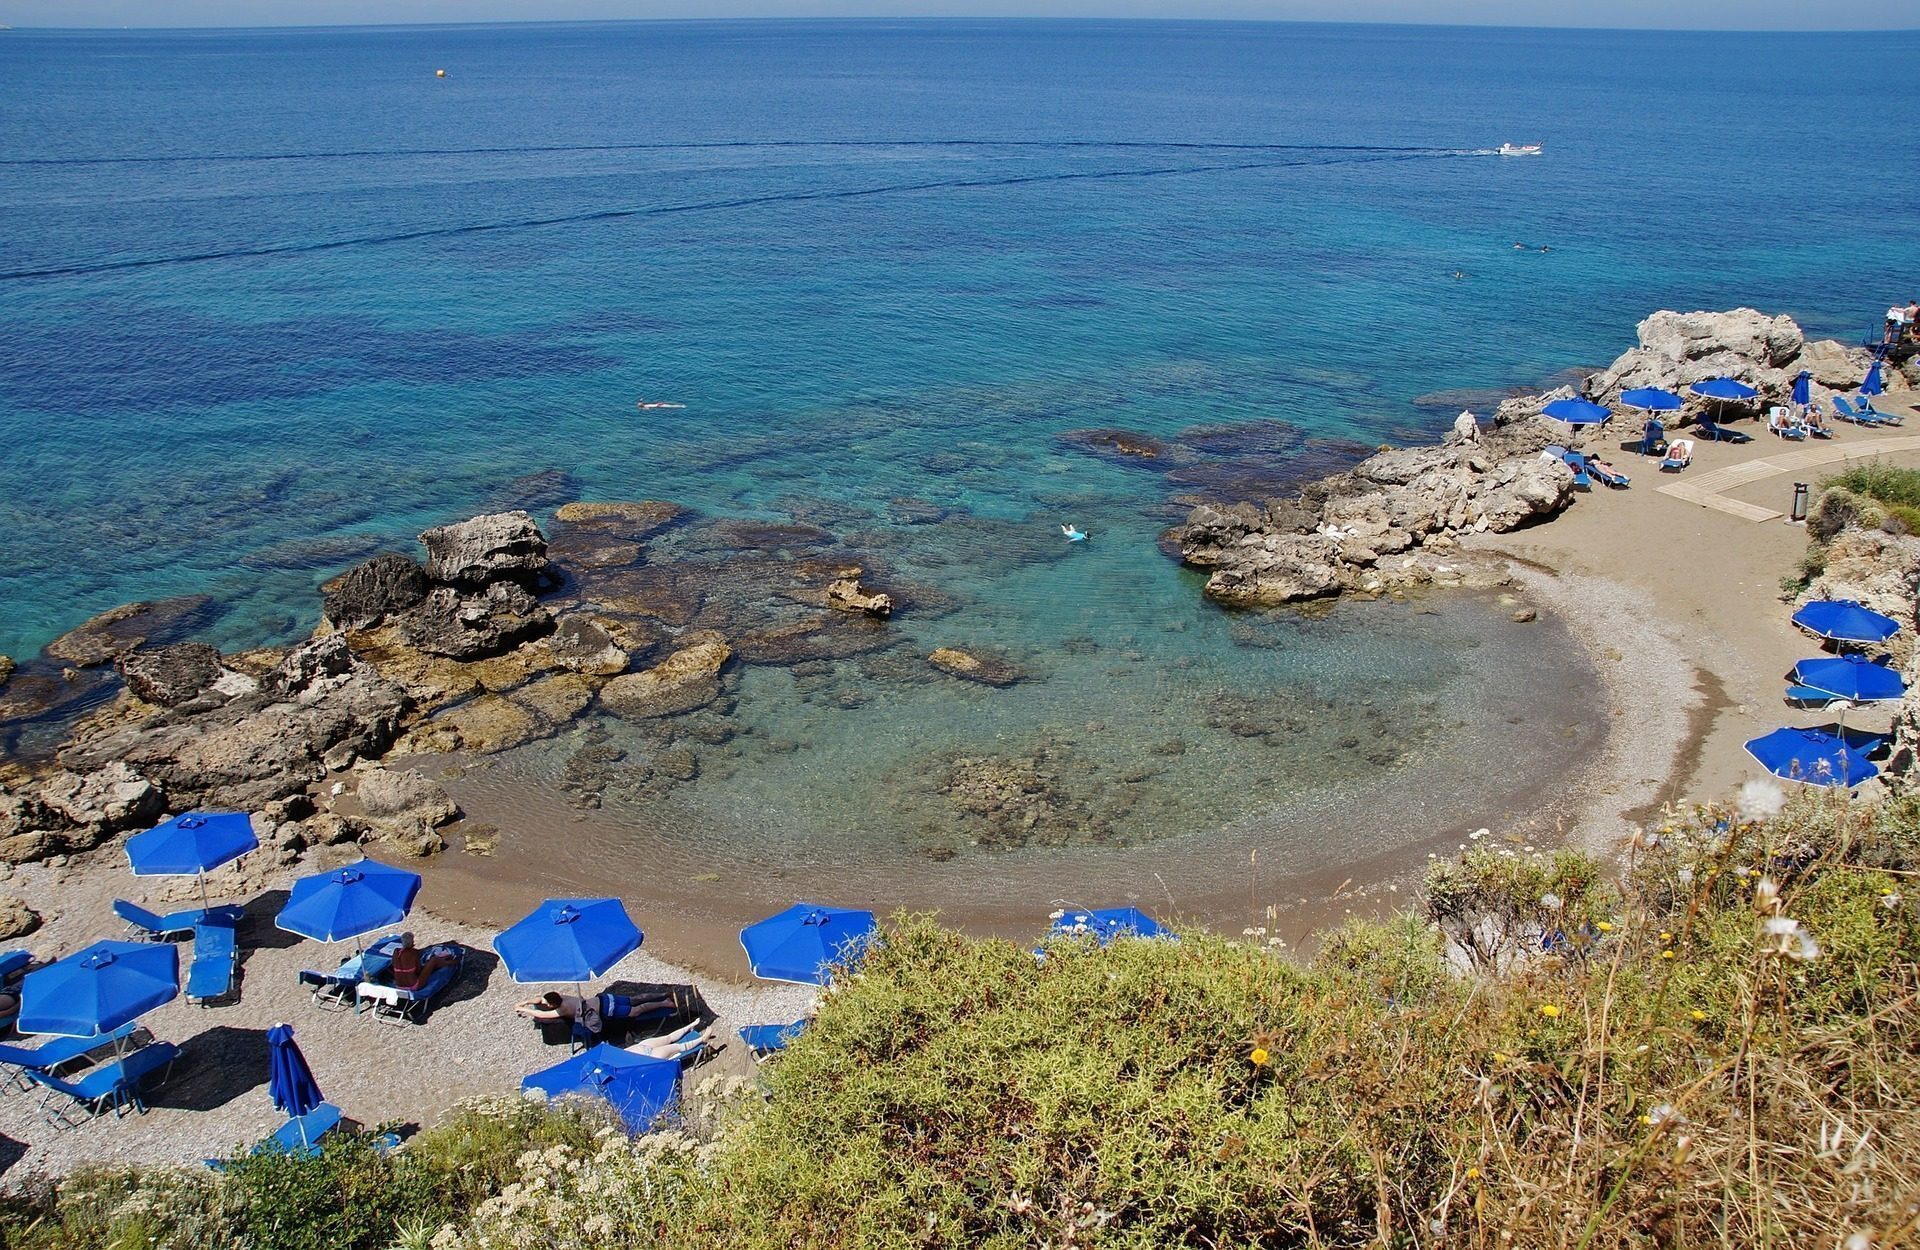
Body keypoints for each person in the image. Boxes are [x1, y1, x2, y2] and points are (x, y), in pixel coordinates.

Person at [388, 932, 457, 992]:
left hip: (399, 986)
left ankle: (444, 962)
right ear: (412, 941)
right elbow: (418, 970)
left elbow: (394, 965)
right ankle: (451, 962)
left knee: (428, 965)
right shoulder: (414, 952)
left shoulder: (396, 951)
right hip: (414, 986)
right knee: (434, 960)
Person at [625, 1021, 707, 1061]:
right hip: (650, 1056)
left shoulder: (612, 1056)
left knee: (668, 1038)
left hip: (641, 1046)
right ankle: (702, 1039)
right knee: (677, 1047)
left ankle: (689, 1027)